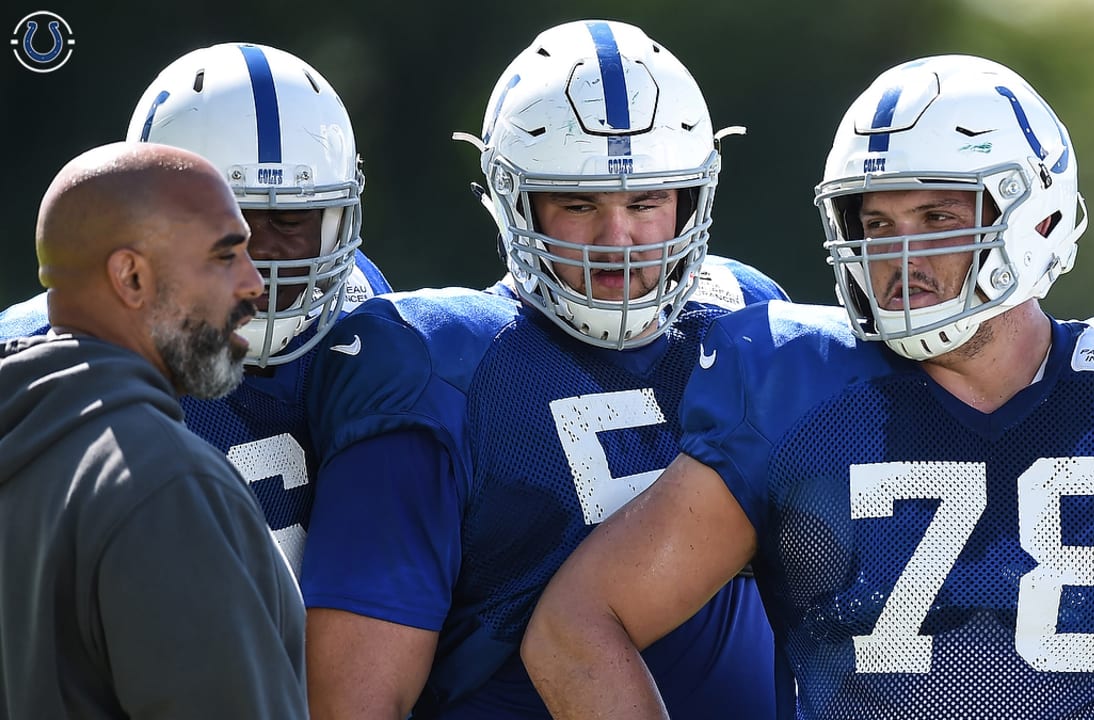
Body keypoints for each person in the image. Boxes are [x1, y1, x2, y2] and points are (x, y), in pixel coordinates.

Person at [522, 54, 1094, 719]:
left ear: (1035, 218)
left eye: (935, 215)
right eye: (875, 223)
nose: (898, 252)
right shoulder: (796, 395)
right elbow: (579, 623)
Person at [300, 19, 789, 719]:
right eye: (579, 203)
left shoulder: (744, 318)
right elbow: (357, 702)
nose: (618, 240)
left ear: (690, 198)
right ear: (513, 200)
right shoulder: (435, 363)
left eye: (646, 202)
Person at [0, 42, 392, 578]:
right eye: (236, 227)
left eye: (293, 221)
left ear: (334, 220)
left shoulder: (362, 306)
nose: (264, 259)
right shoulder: (44, 356)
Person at [0, 141, 306, 719]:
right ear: (131, 277)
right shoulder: (164, 482)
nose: (254, 285)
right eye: (225, 256)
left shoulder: (27, 440)